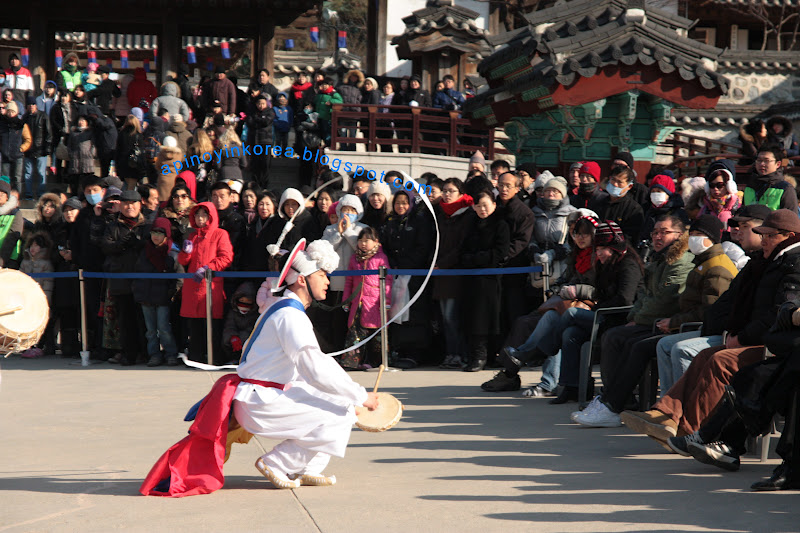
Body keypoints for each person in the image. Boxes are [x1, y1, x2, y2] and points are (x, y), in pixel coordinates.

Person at [621, 209, 800, 445]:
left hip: (770, 345)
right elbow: (730, 302)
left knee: (716, 360)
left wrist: (741, 337)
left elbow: (778, 314)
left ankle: (689, 431)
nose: (764, 239)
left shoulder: (791, 263)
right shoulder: (766, 260)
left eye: (770, 235)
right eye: (762, 234)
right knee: (703, 354)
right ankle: (667, 413)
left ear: (788, 235)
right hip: (744, 335)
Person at [574, 215, 738, 427]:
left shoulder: (698, 264)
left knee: (640, 345)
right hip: (669, 322)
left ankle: (641, 407)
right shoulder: (666, 259)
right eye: (655, 232)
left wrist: (672, 322)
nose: (657, 237)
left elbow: (675, 302)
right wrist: (635, 317)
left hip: (682, 325)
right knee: (615, 336)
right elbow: (645, 295)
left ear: (680, 235)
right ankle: (614, 401)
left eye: (664, 232)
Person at [458, 189, 511, 371]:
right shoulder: (469, 224)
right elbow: (463, 251)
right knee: (472, 316)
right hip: (470, 278)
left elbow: (500, 252)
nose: (482, 209)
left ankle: (487, 356)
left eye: (486, 205)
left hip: (491, 278)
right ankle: (476, 355)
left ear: (494, 205)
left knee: (488, 317)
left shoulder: (501, 225)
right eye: (478, 206)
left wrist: (478, 258)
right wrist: (472, 259)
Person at [178, 202, 234, 364]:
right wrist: (185, 252)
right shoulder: (192, 236)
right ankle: (195, 358)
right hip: (192, 286)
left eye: (204, 215)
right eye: (197, 215)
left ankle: (214, 359)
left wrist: (208, 268)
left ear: (211, 217)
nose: (200, 218)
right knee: (194, 326)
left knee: (212, 325)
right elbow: (183, 261)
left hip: (211, 286)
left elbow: (226, 257)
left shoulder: (220, 234)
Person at [100, 190, 151, 365]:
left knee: (144, 320)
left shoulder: (147, 225)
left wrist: (139, 244)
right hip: (121, 279)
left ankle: (146, 353)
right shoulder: (113, 226)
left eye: (133, 203)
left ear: (140, 204)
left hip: (143, 280)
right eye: (126, 203)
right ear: (121, 206)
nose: (130, 207)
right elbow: (106, 246)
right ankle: (129, 354)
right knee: (125, 319)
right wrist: (123, 244)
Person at [339, 227, 392, 370]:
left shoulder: (381, 258)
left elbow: (387, 280)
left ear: (376, 242)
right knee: (355, 332)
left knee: (375, 334)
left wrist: (386, 300)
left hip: (375, 303)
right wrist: (346, 300)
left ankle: (376, 362)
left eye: (366, 240)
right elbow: (349, 280)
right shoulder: (354, 258)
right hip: (358, 302)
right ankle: (352, 362)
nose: (363, 243)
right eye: (360, 240)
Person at [133, 216, 182, 367]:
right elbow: (137, 273)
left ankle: (170, 353)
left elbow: (180, 277)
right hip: (146, 296)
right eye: (154, 232)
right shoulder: (144, 251)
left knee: (164, 327)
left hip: (163, 298)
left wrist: (172, 294)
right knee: (150, 330)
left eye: (160, 233)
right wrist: (138, 291)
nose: (156, 236)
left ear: (166, 235)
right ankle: (154, 354)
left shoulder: (172, 253)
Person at [496, 171, 535, 330]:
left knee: (513, 312)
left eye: (508, 186)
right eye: (501, 185)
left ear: (517, 188)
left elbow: (521, 241)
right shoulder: (491, 207)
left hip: (514, 269)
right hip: (492, 269)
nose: (504, 189)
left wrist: (500, 256)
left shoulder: (524, 213)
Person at [742, 144, 797, 213]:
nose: (762, 164)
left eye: (766, 161)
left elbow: (791, 218)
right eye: (759, 160)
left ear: (778, 164)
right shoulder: (749, 186)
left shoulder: (785, 188)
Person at [596, 165, 644, 242]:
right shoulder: (599, 202)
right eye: (613, 179)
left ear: (629, 186)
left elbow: (631, 237)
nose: (615, 184)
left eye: (620, 182)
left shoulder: (634, 209)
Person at [221, 282, 259, 365]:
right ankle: (233, 358)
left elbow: (254, 328)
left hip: (248, 341)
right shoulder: (233, 312)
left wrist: (242, 337)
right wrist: (232, 337)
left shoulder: (255, 314)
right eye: (242, 301)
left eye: (248, 301)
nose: (244, 304)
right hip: (235, 339)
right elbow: (229, 326)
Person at [22, 96, 52, 200]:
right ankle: (28, 194)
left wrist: (47, 148)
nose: (31, 107)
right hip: (28, 150)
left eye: (33, 104)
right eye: (29, 105)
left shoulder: (43, 116)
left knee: (41, 173)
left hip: (40, 150)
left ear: (36, 105)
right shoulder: (25, 117)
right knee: (27, 173)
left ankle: (41, 194)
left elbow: (48, 133)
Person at [696, 159, 740, 228]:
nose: (715, 189)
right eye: (712, 185)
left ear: (729, 186)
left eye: (720, 185)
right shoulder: (704, 208)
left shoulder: (739, 206)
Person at [0, 101, 31, 192]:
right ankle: (6, 195)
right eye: (9, 111)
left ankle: (18, 197)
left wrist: (21, 148)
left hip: (18, 156)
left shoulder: (21, 125)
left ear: (16, 112)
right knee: (5, 178)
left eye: (12, 112)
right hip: (5, 155)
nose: (10, 114)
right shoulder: (2, 125)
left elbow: (28, 139)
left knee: (17, 178)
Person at [246, 94, 274, 187]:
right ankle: (255, 183)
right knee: (255, 163)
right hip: (254, 142)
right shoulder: (252, 112)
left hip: (265, 142)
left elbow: (266, 122)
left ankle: (264, 184)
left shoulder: (270, 112)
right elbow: (250, 122)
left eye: (263, 103)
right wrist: (259, 119)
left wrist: (257, 119)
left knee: (265, 164)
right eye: (259, 103)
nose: (261, 106)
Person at [116, 113, 145, 191]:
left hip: (123, 164)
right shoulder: (138, 135)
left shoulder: (121, 134)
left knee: (126, 185)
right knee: (131, 187)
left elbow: (117, 151)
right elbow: (141, 150)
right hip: (134, 165)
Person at [336, 70, 363, 151]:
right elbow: (337, 97)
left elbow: (360, 100)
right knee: (343, 133)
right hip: (343, 114)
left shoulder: (359, 89)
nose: (353, 78)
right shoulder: (341, 87)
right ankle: (343, 148)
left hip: (354, 115)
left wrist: (357, 109)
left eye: (356, 77)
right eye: (352, 76)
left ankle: (352, 148)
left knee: (352, 133)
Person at [314, 77, 342, 147]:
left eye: (325, 84)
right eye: (323, 84)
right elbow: (315, 102)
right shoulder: (320, 93)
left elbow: (340, 101)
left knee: (328, 132)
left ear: (330, 85)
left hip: (328, 117)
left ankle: (329, 145)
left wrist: (331, 101)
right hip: (319, 116)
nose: (323, 86)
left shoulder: (333, 93)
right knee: (321, 132)